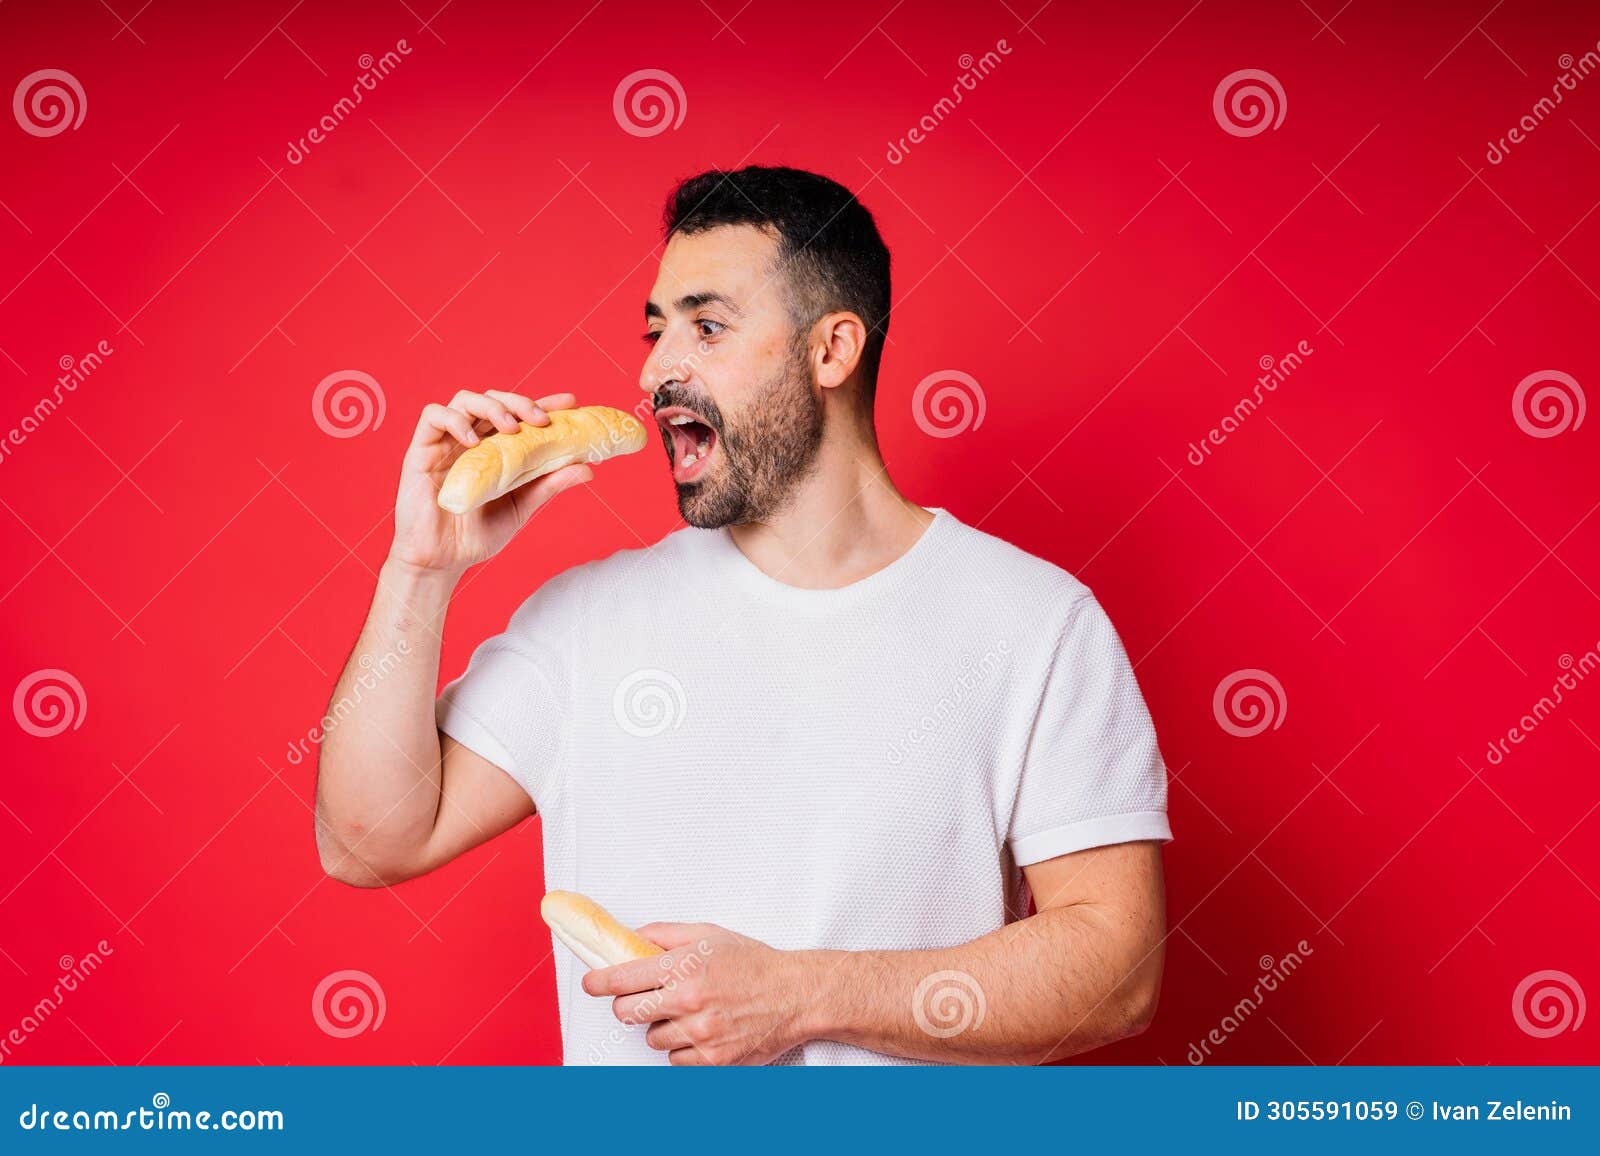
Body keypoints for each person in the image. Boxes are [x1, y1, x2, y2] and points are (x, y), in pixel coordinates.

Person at [314, 165, 1171, 1065]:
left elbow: (1120, 971)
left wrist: (801, 997)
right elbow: (368, 841)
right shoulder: (584, 622)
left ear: (832, 351)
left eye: (707, 327)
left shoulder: (1035, 625)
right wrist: (420, 569)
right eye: (656, 331)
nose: (655, 370)